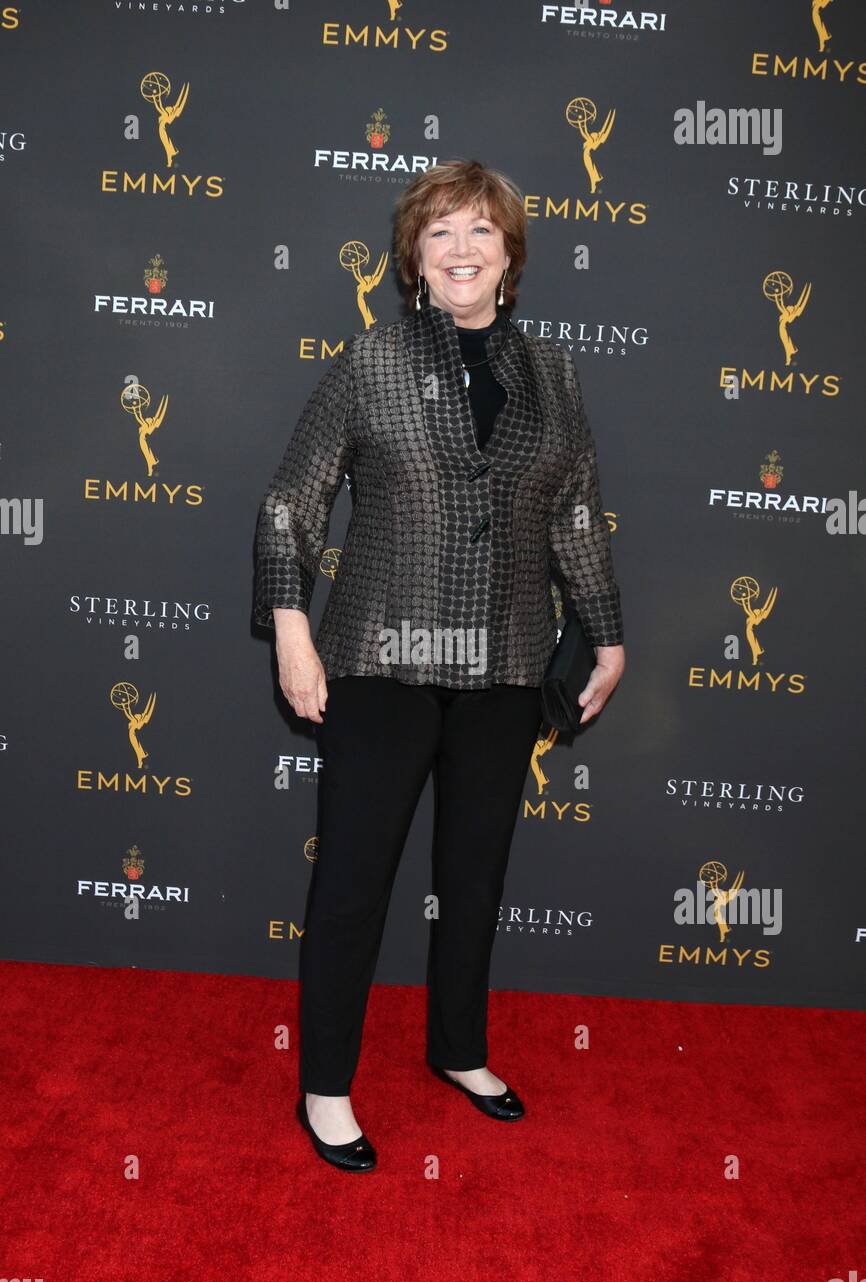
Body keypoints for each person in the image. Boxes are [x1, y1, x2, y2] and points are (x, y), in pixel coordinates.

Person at [254, 160, 625, 1171]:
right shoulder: (371, 359)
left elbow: (574, 511)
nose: (461, 248)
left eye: (480, 232)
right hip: (381, 656)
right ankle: (326, 1085)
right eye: (439, 233)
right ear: (412, 259)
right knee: (354, 884)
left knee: (474, 874)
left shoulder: (553, 373)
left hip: (505, 662)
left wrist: (604, 626)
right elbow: (292, 499)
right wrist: (291, 623)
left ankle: (458, 1047)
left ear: (509, 256)